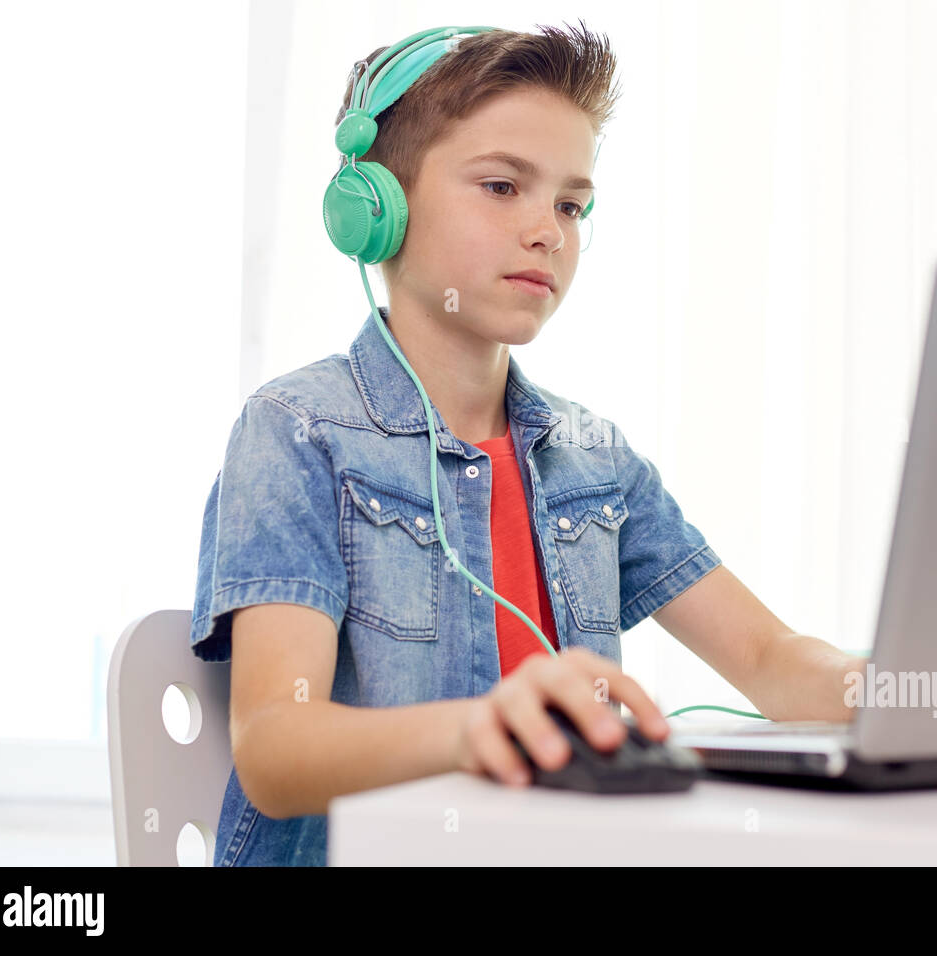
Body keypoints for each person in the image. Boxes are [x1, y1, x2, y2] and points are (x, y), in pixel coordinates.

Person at [190, 20, 864, 866]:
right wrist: (479, 727)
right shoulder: (298, 431)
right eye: (505, 187)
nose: (550, 229)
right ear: (377, 208)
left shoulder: (593, 458)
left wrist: (903, 687)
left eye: (571, 203)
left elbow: (770, 660)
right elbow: (275, 751)